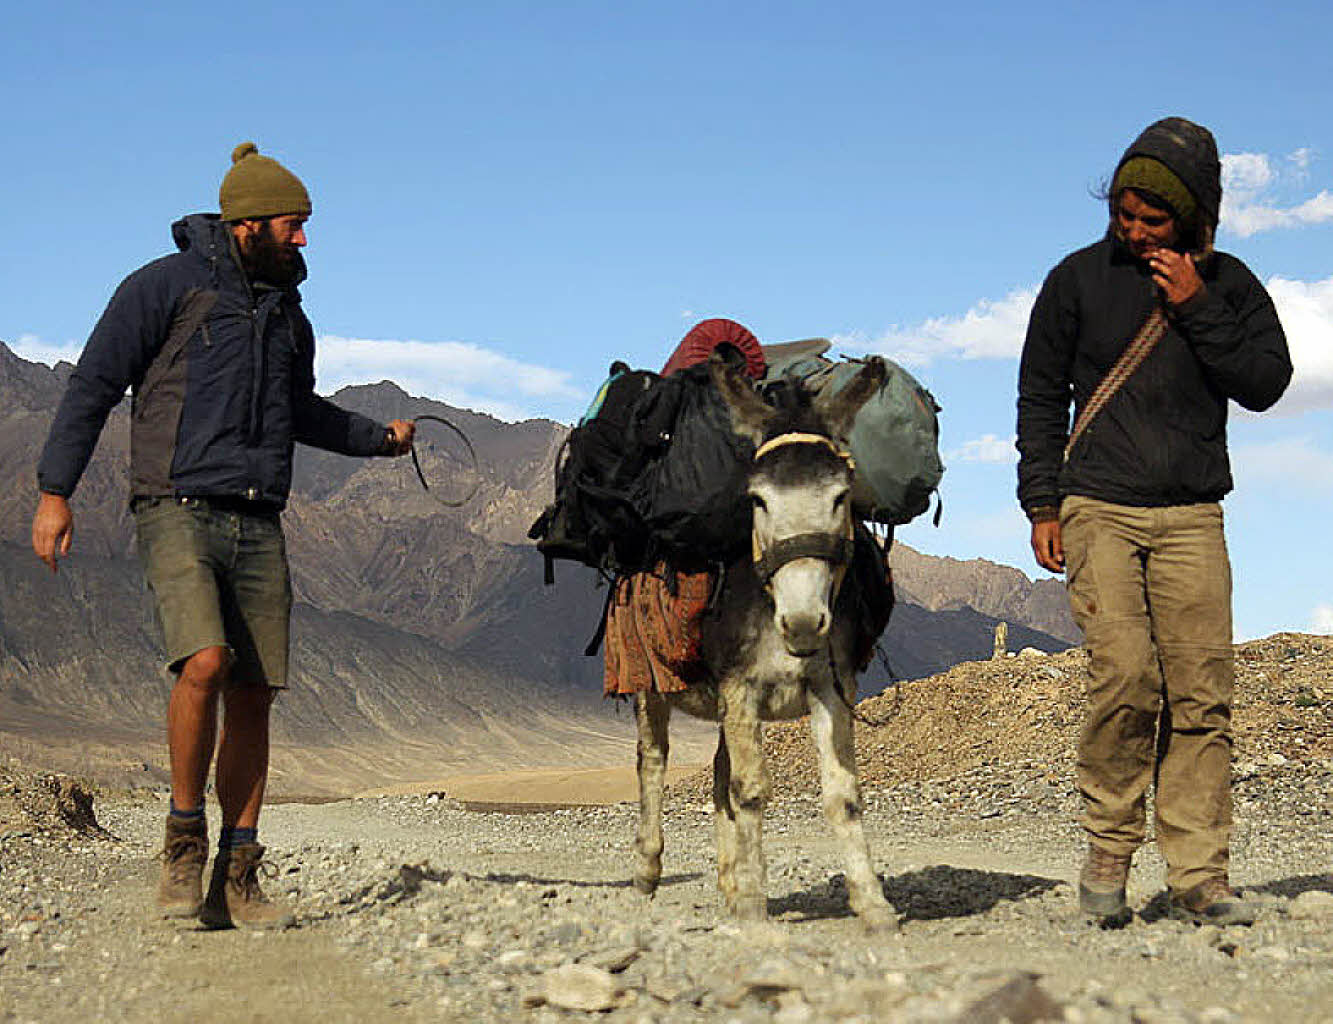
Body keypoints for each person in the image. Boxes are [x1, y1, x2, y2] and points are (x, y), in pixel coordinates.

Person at [31, 142, 416, 930]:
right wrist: (54, 491)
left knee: (255, 691)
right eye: (293, 224)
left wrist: (379, 439)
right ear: (247, 224)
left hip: (258, 517)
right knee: (203, 663)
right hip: (173, 505)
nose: (303, 240)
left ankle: (238, 875)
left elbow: (300, 410)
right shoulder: (161, 289)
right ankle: (182, 845)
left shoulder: (287, 316)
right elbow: (95, 386)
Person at [1016, 117, 1291, 926]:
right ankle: (1108, 849)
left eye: (1152, 219)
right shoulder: (1074, 280)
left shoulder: (1231, 286)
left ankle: (1199, 876)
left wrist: (1198, 306)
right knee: (1126, 679)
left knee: (1203, 696)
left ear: (1194, 214)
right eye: (1124, 215)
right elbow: (1039, 396)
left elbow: (1266, 382)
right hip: (1098, 506)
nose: (1133, 231)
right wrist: (1042, 500)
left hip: (1191, 515)